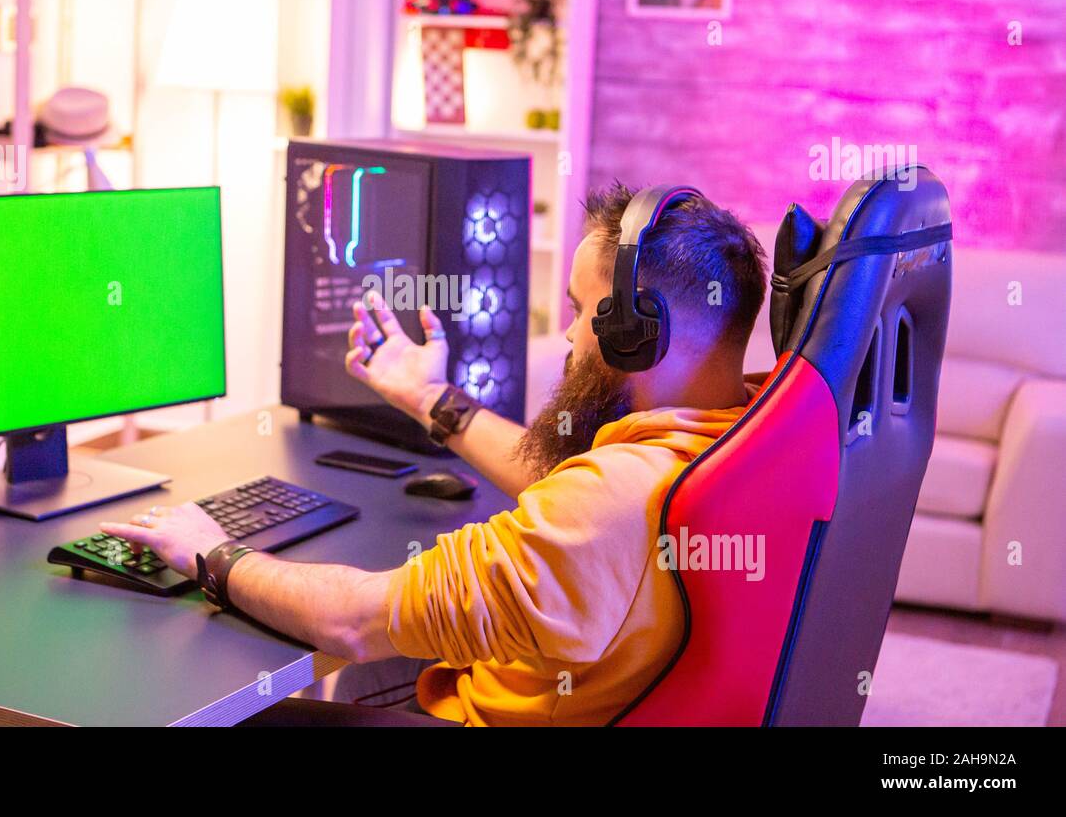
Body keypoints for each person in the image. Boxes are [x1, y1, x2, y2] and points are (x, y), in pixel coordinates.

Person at [102, 182, 768, 726]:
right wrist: (431, 399)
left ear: (636, 329)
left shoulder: (610, 501)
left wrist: (214, 554)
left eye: (579, 311)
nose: (567, 335)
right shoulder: (737, 434)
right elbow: (562, 480)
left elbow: (356, 619)